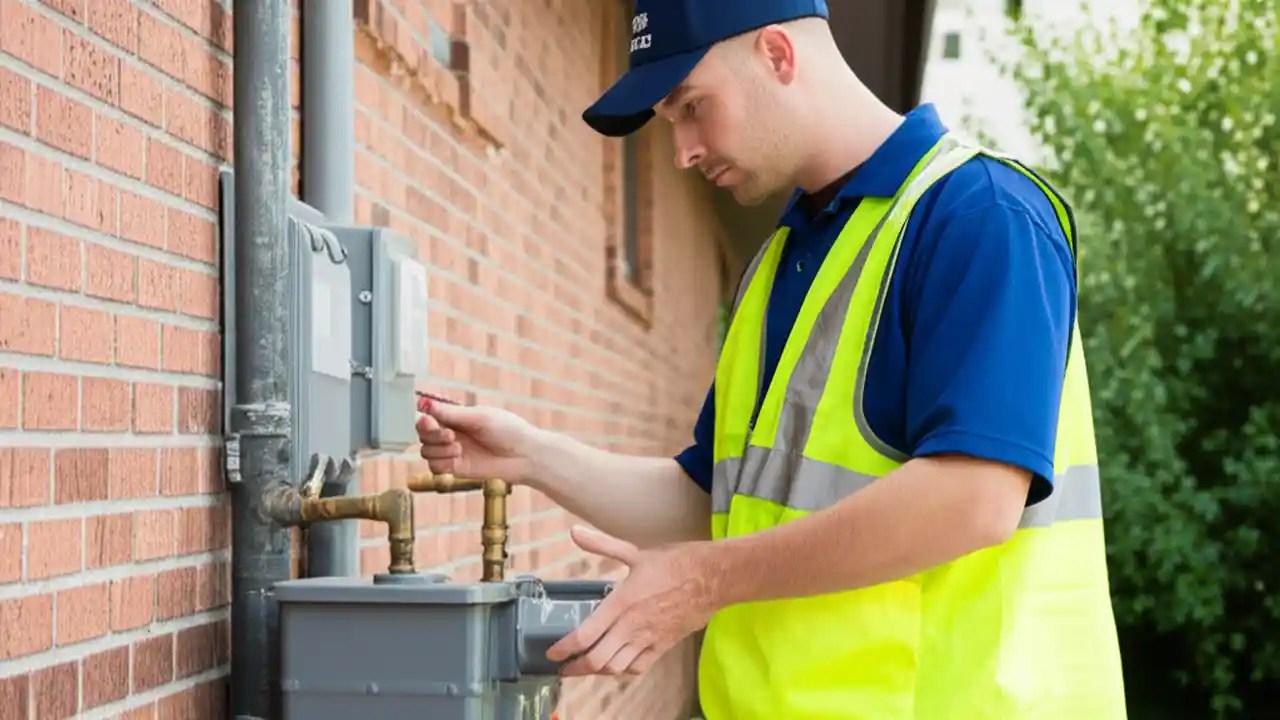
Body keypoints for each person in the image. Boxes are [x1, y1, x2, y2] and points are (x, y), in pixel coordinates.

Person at [415, 0, 1129, 717]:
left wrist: (705, 582)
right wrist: (530, 457)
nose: (682, 151)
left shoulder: (981, 216)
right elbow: (710, 504)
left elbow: (974, 500)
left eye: (692, 107)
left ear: (778, 55)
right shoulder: (779, 265)